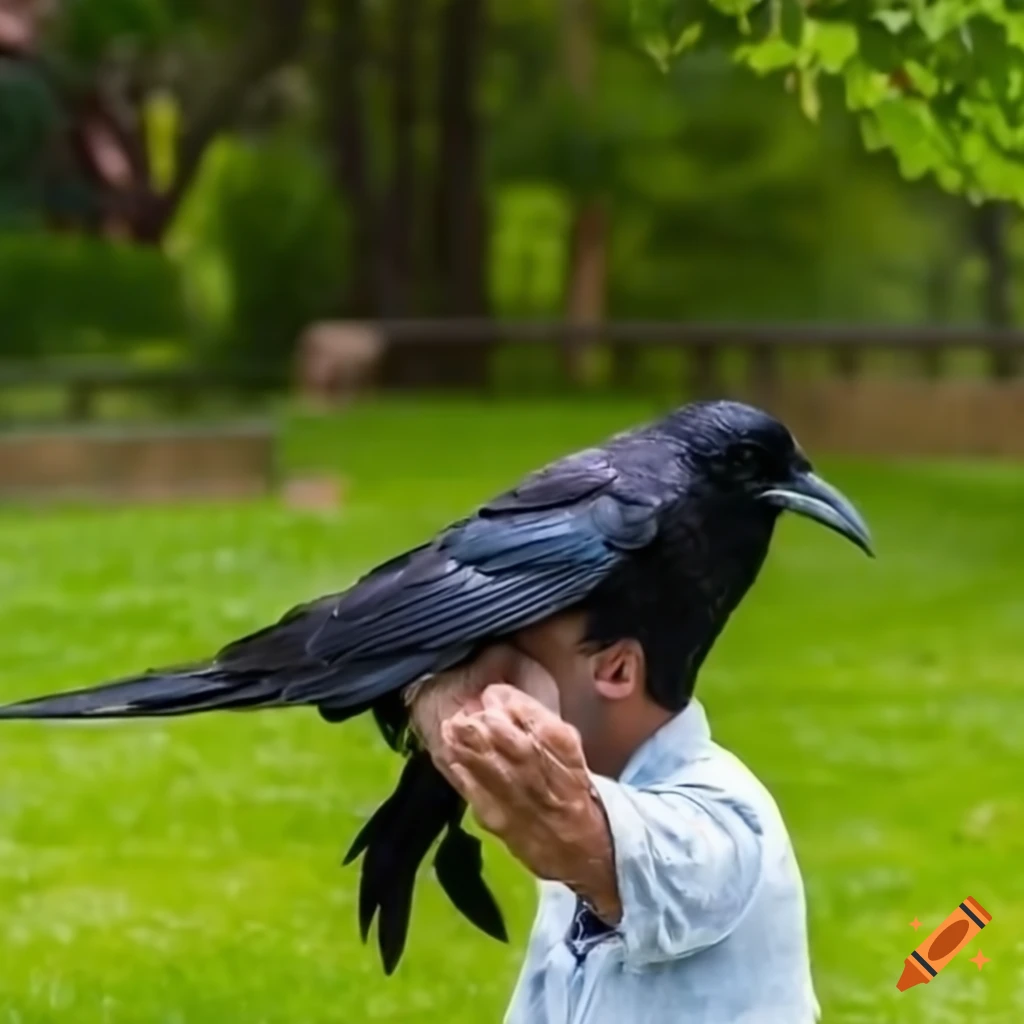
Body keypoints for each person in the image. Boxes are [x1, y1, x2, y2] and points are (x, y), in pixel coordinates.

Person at [424, 612, 820, 1024]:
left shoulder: (724, 816)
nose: (489, 691)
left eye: (517, 666)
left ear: (616, 670)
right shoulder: (602, 791)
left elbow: (594, 839)